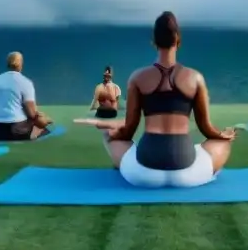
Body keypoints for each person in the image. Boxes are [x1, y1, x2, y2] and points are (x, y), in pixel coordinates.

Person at [100, 11, 236, 187]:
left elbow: (129, 130)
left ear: (154, 42)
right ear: (178, 40)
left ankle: (122, 166)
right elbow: (206, 128)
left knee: (107, 134)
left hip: (143, 174)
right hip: (187, 173)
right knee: (221, 142)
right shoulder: (195, 78)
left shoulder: (137, 77)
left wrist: (114, 134)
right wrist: (222, 135)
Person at [0, 52, 53, 140]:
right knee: (42, 128)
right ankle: (32, 135)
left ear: (7, 64)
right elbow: (32, 114)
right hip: (16, 132)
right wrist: (45, 119)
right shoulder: (26, 82)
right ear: (21, 64)